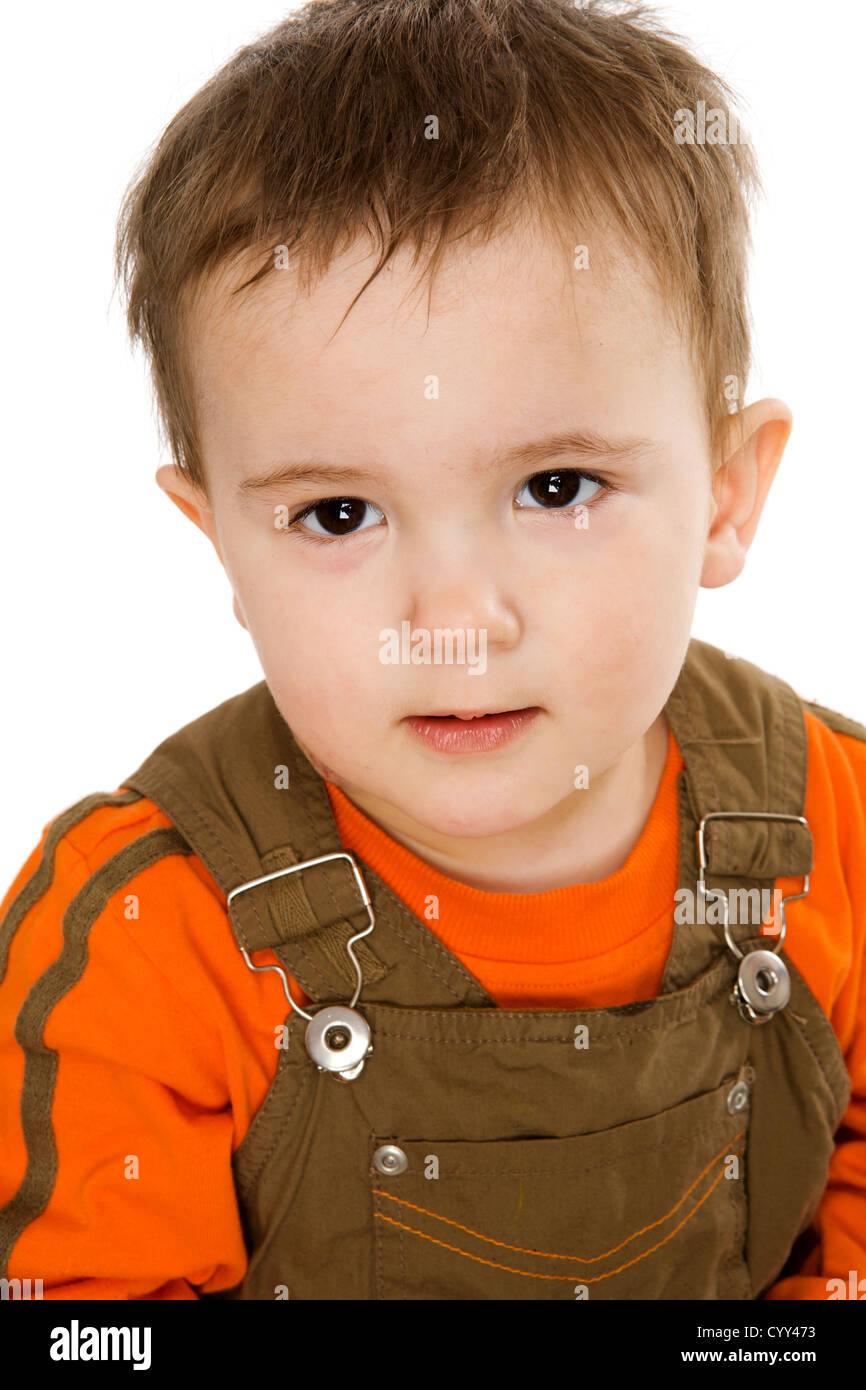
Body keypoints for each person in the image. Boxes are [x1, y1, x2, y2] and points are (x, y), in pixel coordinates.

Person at [1, 0, 864, 1301]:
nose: (453, 620)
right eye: (339, 514)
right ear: (219, 539)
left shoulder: (832, 825)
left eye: (557, 488)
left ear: (725, 496)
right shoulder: (144, 936)